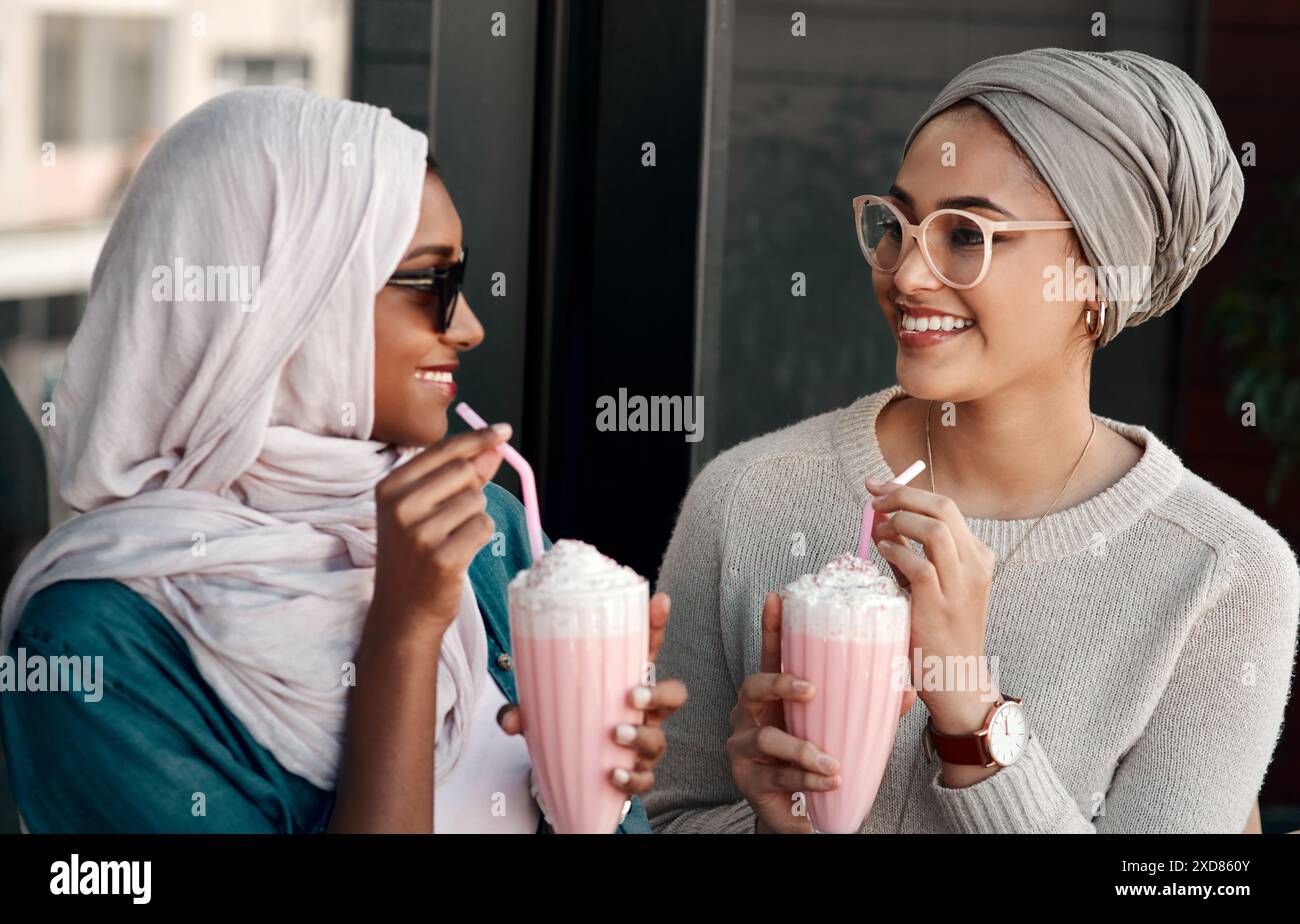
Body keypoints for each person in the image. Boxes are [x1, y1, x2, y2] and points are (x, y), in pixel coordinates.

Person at [645, 48, 1299, 834]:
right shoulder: (748, 497)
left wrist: (972, 716)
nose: (908, 274)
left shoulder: (1222, 570)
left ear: (1096, 275)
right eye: (898, 225)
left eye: (966, 236)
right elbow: (661, 818)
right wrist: (775, 827)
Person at [0, 87, 685, 834]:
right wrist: (402, 634)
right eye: (431, 281)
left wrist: (588, 779)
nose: (470, 326)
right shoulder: (89, 648)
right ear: (282, 298)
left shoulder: (482, 526)